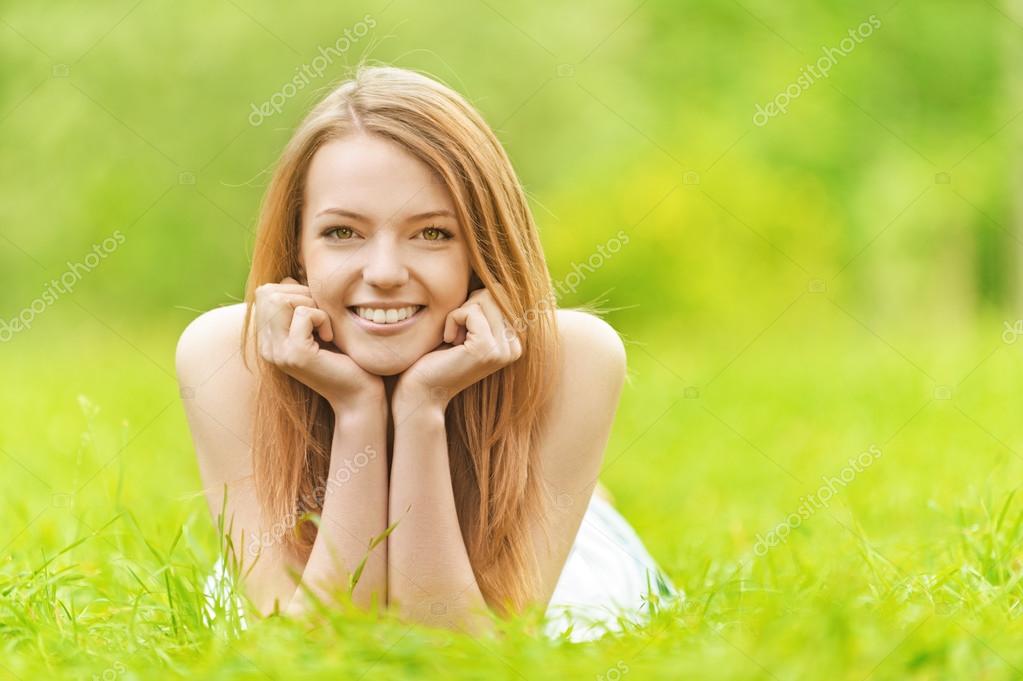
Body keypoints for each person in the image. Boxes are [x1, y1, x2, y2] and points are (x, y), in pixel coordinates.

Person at [176, 63, 680, 642]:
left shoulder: (579, 356)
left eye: (433, 233)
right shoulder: (223, 354)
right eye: (342, 232)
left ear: (483, 248)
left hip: (552, 564)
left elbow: (462, 655)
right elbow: (309, 649)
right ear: (297, 251)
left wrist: (422, 408)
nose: (385, 273)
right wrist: (359, 411)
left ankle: (595, 502)